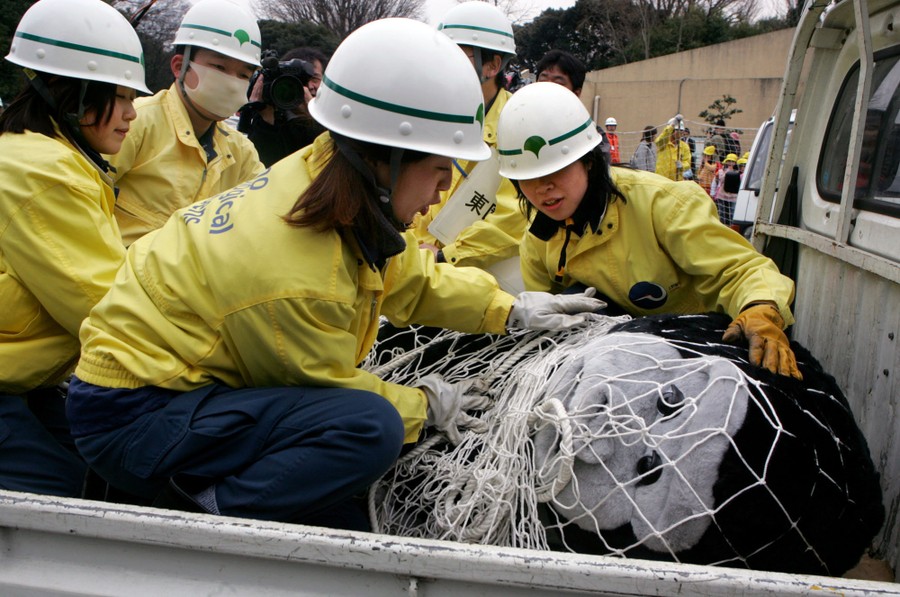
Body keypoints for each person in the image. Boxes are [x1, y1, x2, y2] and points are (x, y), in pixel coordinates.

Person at [66, 19, 604, 528]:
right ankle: (202, 516)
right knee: (371, 427)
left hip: (177, 387)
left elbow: (412, 281)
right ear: (389, 156)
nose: (446, 191)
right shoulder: (297, 268)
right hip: (132, 415)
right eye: (441, 170)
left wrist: (508, 310)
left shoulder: (331, 177)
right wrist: (425, 407)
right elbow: (322, 383)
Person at [496, 82, 801, 379]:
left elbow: (741, 269)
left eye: (557, 169)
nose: (542, 187)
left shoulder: (663, 204)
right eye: (528, 177)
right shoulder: (539, 238)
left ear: (588, 161)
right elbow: (545, 310)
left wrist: (760, 309)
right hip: (613, 364)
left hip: (699, 347)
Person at [0, 0, 148, 496]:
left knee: (97, 478)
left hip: (26, 385)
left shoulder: (49, 157)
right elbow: (105, 307)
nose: (132, 113)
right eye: (121, 96)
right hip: (12, 386)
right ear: (76, 96)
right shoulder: (43, 173)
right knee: (68, 505)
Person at [109, 0, 266, 246]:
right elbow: (82, 205)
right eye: (219, 67)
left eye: (243, 75)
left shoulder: (240, 153)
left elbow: (266, 214)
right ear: (179, 66)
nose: (231, 82)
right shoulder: (134, 124)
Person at [411, 1, 527, 290]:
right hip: (416, 265)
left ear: (492, 65)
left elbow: (514, 215)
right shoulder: (431, 115)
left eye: (457, 56)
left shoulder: (519, 122)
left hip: (482, 279)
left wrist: (444, 255)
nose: (445, 66)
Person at [237, 46, 328, 166]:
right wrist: (266, 120)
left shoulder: (329, 121)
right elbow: (261, 167)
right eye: (298, 80)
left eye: (315, 79)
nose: (309, 87)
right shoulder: (269, 116)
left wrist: (314, 118)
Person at [534, 49, 611, 165]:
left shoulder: (592, 135)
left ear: (576, 93)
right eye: (543, 79)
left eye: (558, 83)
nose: (547, 87)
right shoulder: (517, 124)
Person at [655, 114, 693, 181]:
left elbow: (687, 162)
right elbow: (659, 141)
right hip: (661, 180)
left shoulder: (684, 146)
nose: (680, 133)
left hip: (676, 181)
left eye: (681, 131)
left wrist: (682, 165)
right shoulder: (663, 144)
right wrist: (672, 125)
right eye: (677, 130)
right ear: (671, 131)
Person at [711, 153, 741, 225]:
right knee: (722, 214)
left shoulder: (738, 172)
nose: (730, 163)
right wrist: (728, 172)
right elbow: (721, 180)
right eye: (729, 161)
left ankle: (731, 226)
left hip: (733, 197)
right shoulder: (721, 171)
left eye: (732, 161)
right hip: (722, 196)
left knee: (732, 213)